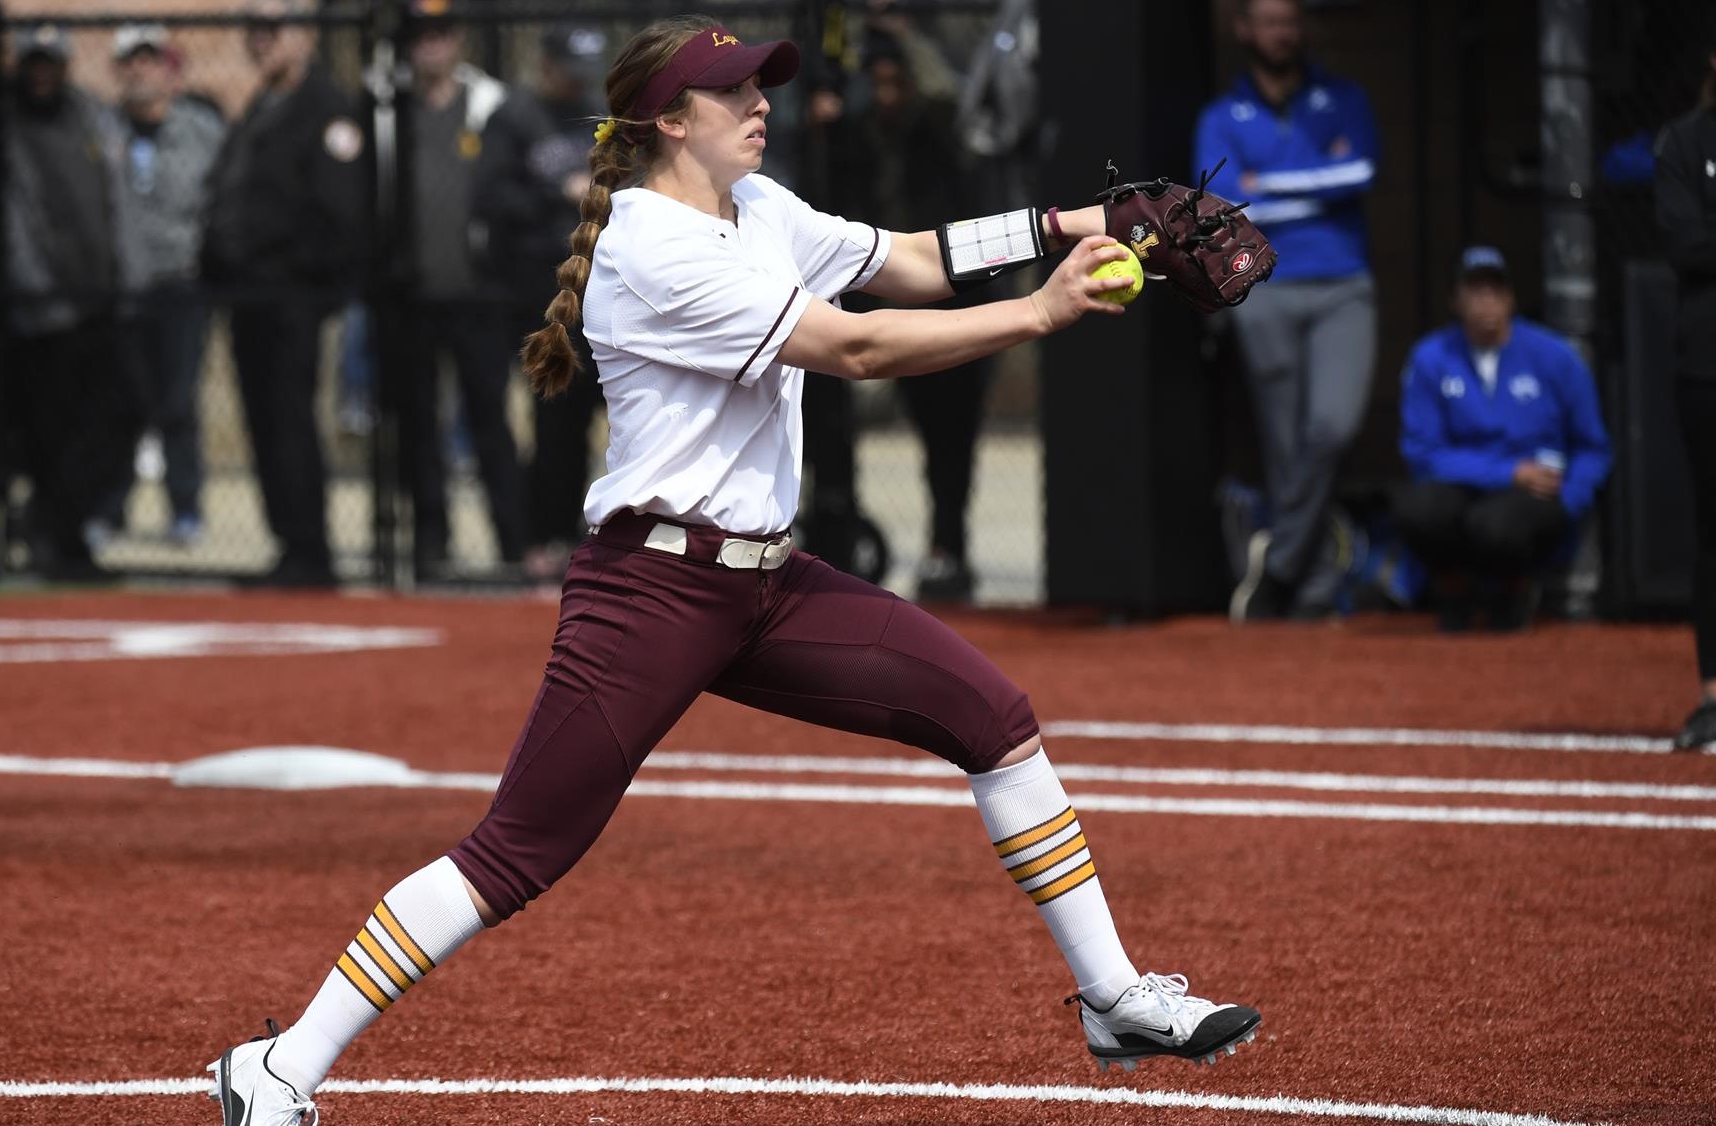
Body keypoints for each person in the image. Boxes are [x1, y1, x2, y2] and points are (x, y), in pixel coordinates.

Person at [206, 18, 1259, 1124]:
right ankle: (278, 1066)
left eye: (760, 82)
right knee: (516, 852)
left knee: (991, 715)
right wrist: (1042, 310)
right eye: (731, 90)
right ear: (668, 119)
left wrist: (1079, 220)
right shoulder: (649, 245)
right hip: (649, 593)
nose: (760, 101)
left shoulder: (759, 207)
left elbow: (911, 258)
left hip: (766, 584)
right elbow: (853, 348)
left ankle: (1112, 997)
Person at [1196, 0, 1380, 622]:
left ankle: (1276, 566)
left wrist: (1266, 187)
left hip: (1342, 286)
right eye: (1268, 20)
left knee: (1330, 427)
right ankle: (1315, 587)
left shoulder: (1344, 96)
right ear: (1244, 29)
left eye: (1290, 19)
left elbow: (1359, 170)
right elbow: (1219, 207)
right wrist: (1313, 183)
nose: (1282, 31)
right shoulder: (1222, 115)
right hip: (1262, 285)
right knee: (1283, 443)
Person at [819, 23, 989, 603]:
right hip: (869, 303)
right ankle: (836, 539)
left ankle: (948, 547)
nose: (888, 94)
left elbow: (953, 95)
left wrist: (900, 27)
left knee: (949, 436)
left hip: (949, 299)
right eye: (879, 82)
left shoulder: (941, 126)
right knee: (832, 425)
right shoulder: (852, 135)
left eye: (898, 82)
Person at [203, 0, 365, 588]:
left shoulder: (326, 109)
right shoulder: (262, 105)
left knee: (290, 421)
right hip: (250, 296)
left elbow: (340, 215)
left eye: (273, 27)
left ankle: (308, 551)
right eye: (254, 27)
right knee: (265, 422)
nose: (260, 38)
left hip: (290, 296)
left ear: (305, 35)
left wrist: (297, 278)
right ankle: (288, 544)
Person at [1395, 247, 1612, 632]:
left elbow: (1592, 446)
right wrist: (1507, 472)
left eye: (1495, 290)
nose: (1486, 301)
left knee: (1496, 526)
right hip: (1468, 484)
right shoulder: (1431, 357)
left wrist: (1569, 498)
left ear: (1510, 297)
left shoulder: (1555, 355)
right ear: (1455, 300)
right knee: (1417, 509)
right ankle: (1455, 590)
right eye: (1475, 290)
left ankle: (1513, 591)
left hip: (1533, 494)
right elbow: (1422, 452)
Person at [389, 9, 528, 578]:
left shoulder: (492, 106)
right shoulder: (388, 109)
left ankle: (512, 546)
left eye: (440, 34)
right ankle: (431, 547)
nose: (430, 46)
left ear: (458, 40)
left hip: (479, 296)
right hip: (412, 297)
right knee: (418, 427)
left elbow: (534, 172)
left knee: (489, 421)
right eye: (419, 36)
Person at [472, 24, 611, 579]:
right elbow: (489, 195)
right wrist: (556, 193)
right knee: (555, 418)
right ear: (545, 63)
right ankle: (546, 535)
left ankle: (592, 535)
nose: (576, 81)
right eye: (567, 69)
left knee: (614, 418)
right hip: (539, 294)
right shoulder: (515, 116)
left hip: (603, 294)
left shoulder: (600, 118)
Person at [2, 25, 125, 582]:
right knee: (49, 432)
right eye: (34, 63)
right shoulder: (9, 125)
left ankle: (61, 528)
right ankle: (57, 540)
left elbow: (116, 196)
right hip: (43, 305)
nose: (42, 73)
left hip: (100, 298)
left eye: (51, 62)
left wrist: (125, 275)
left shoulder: (88, 115)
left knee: (115, 415)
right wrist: (35, 285)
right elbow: (14, 216)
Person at [97, 24, 225, 549]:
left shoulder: (201, 130)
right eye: (130, 62)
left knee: (177, 402)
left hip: (182, 285)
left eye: (150, 60)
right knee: (118, 403)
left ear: (170, 69)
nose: (140, 72)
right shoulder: (101, 131)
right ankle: (108, 508)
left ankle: (186, 509)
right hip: (119, 288)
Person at [1657, 31, 1716, 750]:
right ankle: (1712, 693)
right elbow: (1686, 246)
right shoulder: (1683, 142)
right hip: (1708, 361)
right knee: (1714, 531)